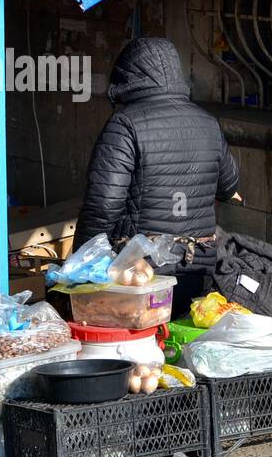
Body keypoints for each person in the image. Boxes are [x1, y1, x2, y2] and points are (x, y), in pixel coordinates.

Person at [76, 37, 241, 316]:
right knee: (179, 337)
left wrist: (81, 258)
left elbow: (104, 204)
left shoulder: (125, 123)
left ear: (127, 76)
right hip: (199, 262)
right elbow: (230, 185)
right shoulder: (208, 122)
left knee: (141, 343)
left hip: (142, 267)